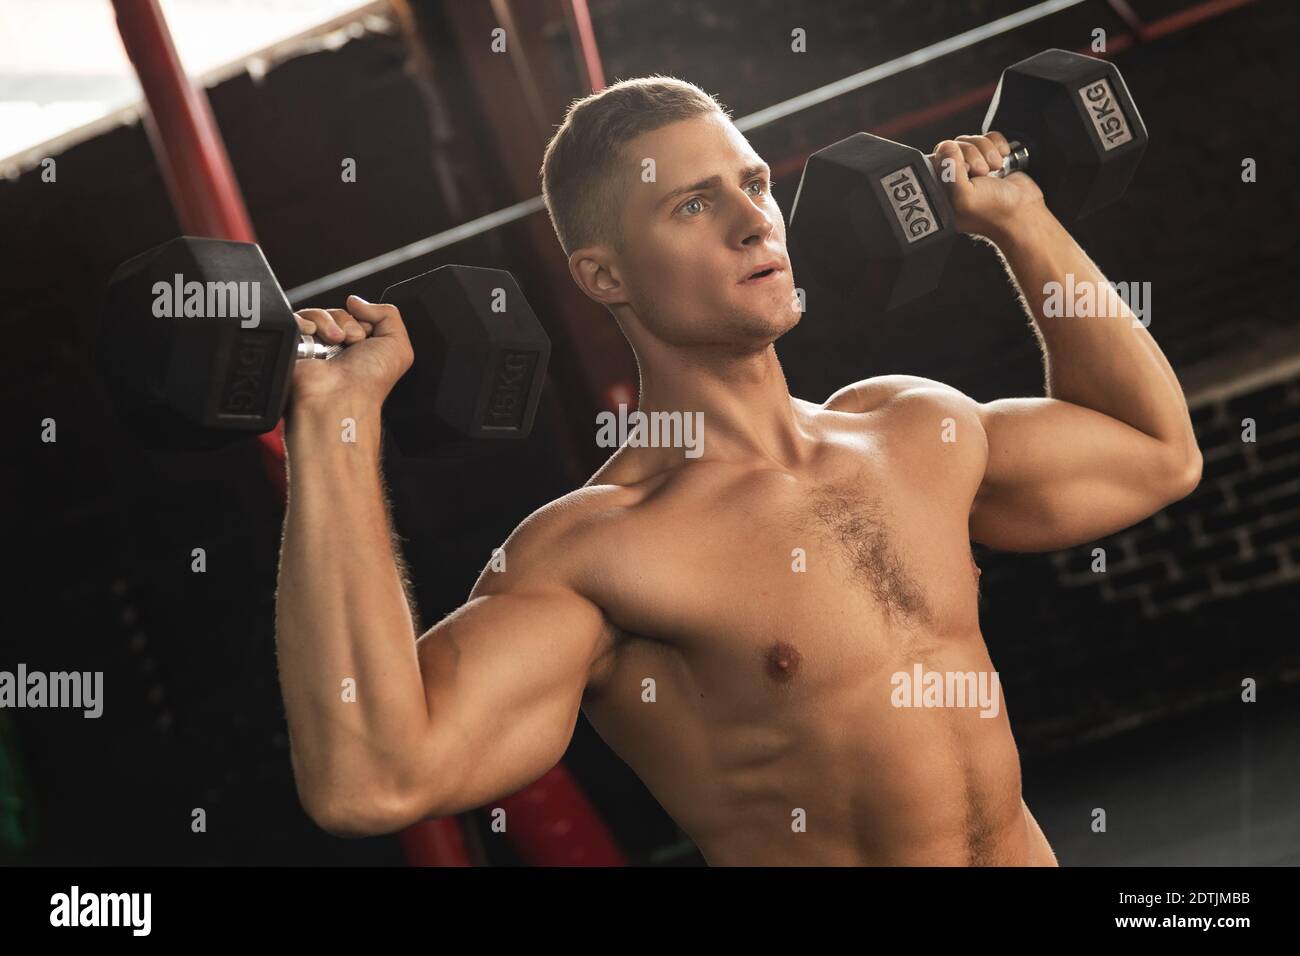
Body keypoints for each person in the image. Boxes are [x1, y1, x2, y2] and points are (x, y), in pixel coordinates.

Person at [275, 76, 1201, 865]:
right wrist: (336, 426)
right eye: (692, 205)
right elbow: (373, 777)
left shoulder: (910, 430)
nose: (752, 220)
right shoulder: (605, 551)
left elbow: (1153, 453)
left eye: (751, 183)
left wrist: (1020, 225)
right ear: (604, 278)